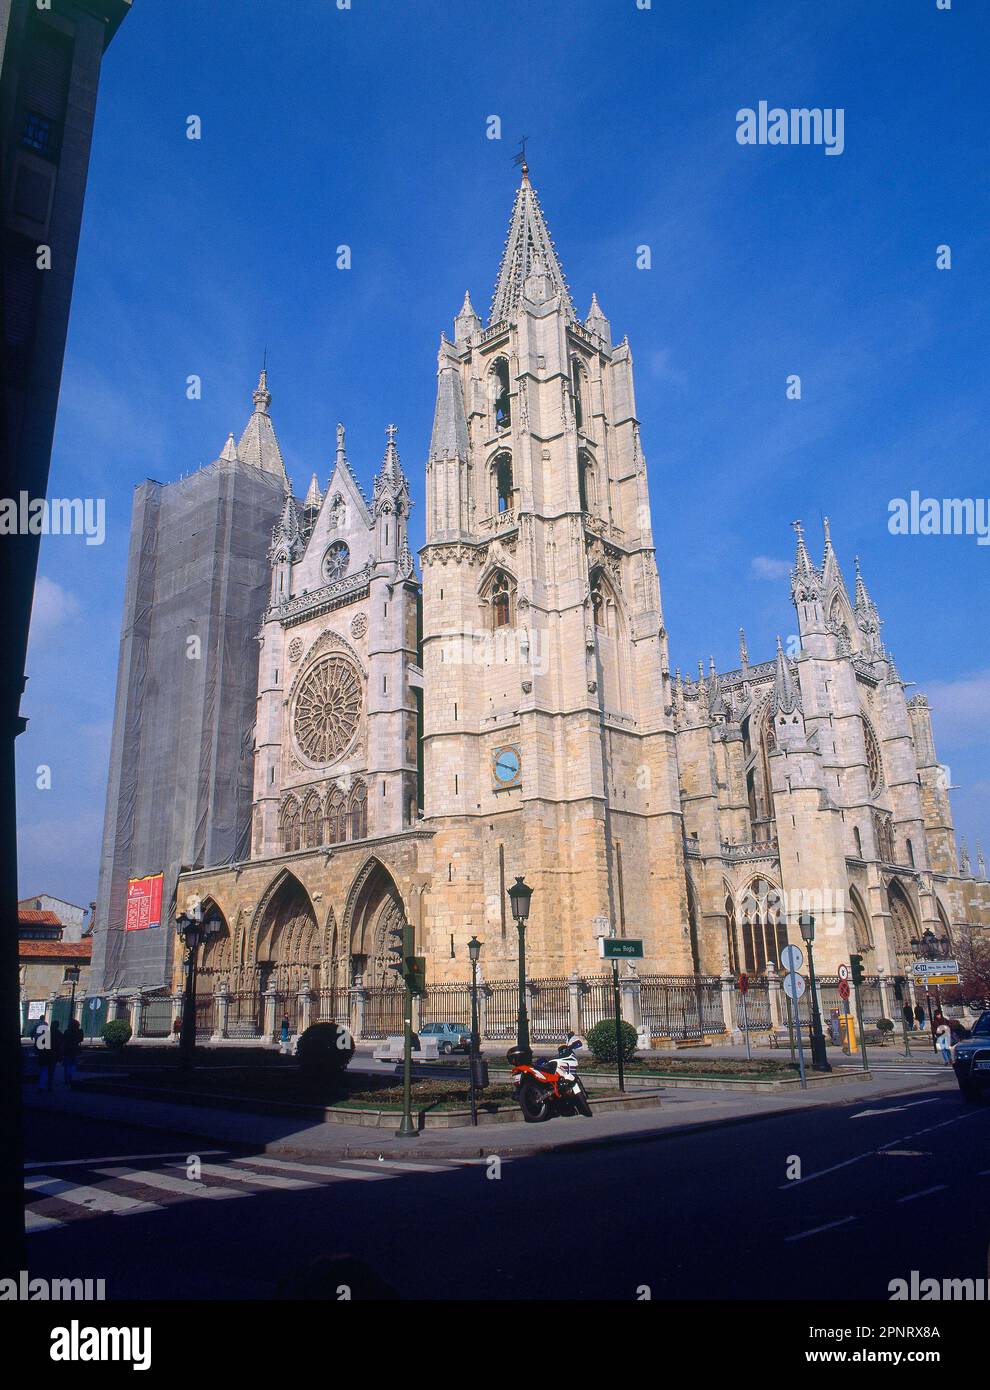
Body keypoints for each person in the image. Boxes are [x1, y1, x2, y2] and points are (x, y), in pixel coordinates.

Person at [61, 1017, 84, 1088]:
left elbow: (63, 1040)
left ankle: (66, 1078)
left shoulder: (67, 1031)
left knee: (67, 1065)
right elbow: (81, 1040)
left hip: (67, 1049)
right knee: (73, 1064)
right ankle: (71, 1077)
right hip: (75, 1049)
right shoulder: (80, 1031)